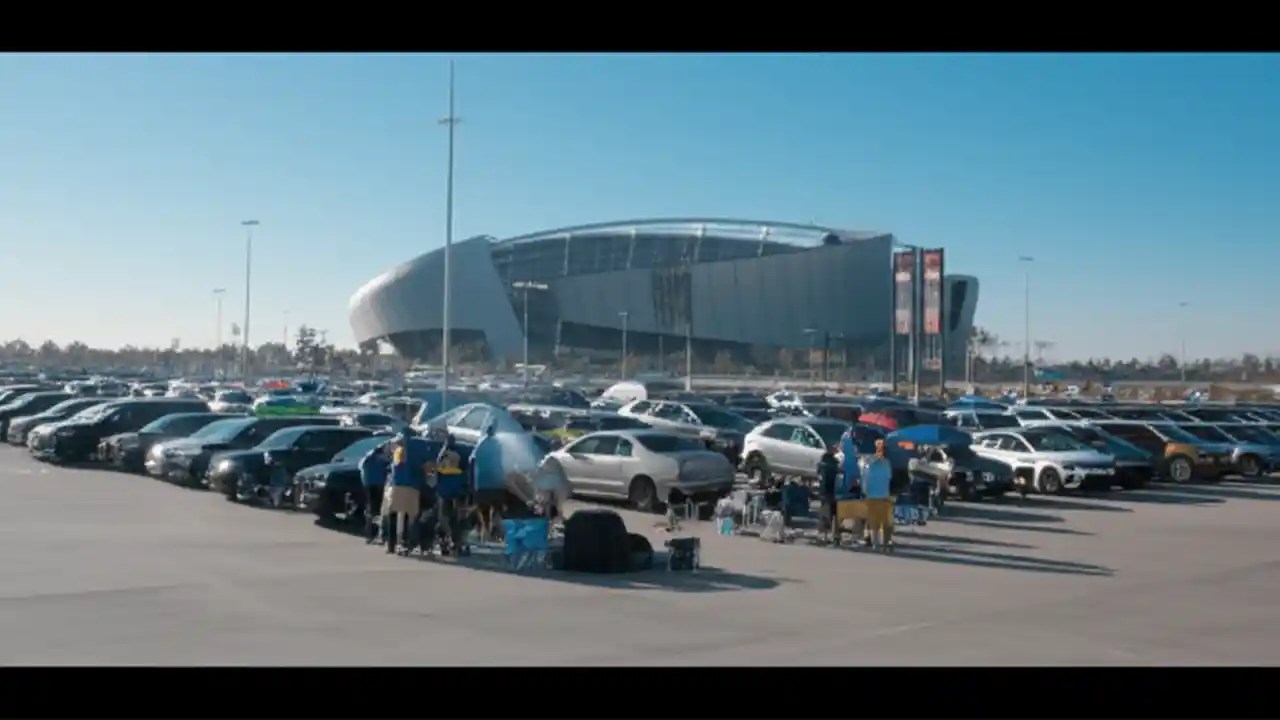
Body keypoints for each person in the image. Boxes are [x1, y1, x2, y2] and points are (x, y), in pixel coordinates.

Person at [386, 429, 430, 555]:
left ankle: (391, 544)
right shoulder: (416, 448)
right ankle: (406, 543)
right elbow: (420, 466)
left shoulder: (397, 450)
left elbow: (393, 467)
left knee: (393, 514)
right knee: (409, 517)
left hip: (396, 485)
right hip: (411, 486)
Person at [434, 435, 467, 555]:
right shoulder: (458, 458)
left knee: (444, 518)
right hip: (455, 493)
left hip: (444, 493)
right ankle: (455, 542)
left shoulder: (442, 456)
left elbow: (437, 475)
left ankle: (446, 541)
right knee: (455, 520)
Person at [861, 439, 895, 551]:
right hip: (883, 495)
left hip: (872, 496)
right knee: (885, 522)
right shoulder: (887, 463)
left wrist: (865, 492)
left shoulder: (867, 463)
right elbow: (889, 478)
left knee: (874, 522)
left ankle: (876, 544)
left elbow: (864, 479)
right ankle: (885, 543)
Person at [358, 440, 391, 544]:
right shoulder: (381, 460)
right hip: (378, 485)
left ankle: (370, 534)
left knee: (371, 510)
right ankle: (376, 534)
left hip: (369, 485)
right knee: (377, 511)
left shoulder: (367, 459)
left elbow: (361, 468)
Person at [816, 446, 841, 545]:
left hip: (824, 492)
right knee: (835, 514)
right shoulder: (834, 463)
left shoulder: (821, 464)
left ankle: (824, 535)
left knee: (825, 514)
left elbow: (819, 477)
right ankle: (835, 535)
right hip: (832, 492)